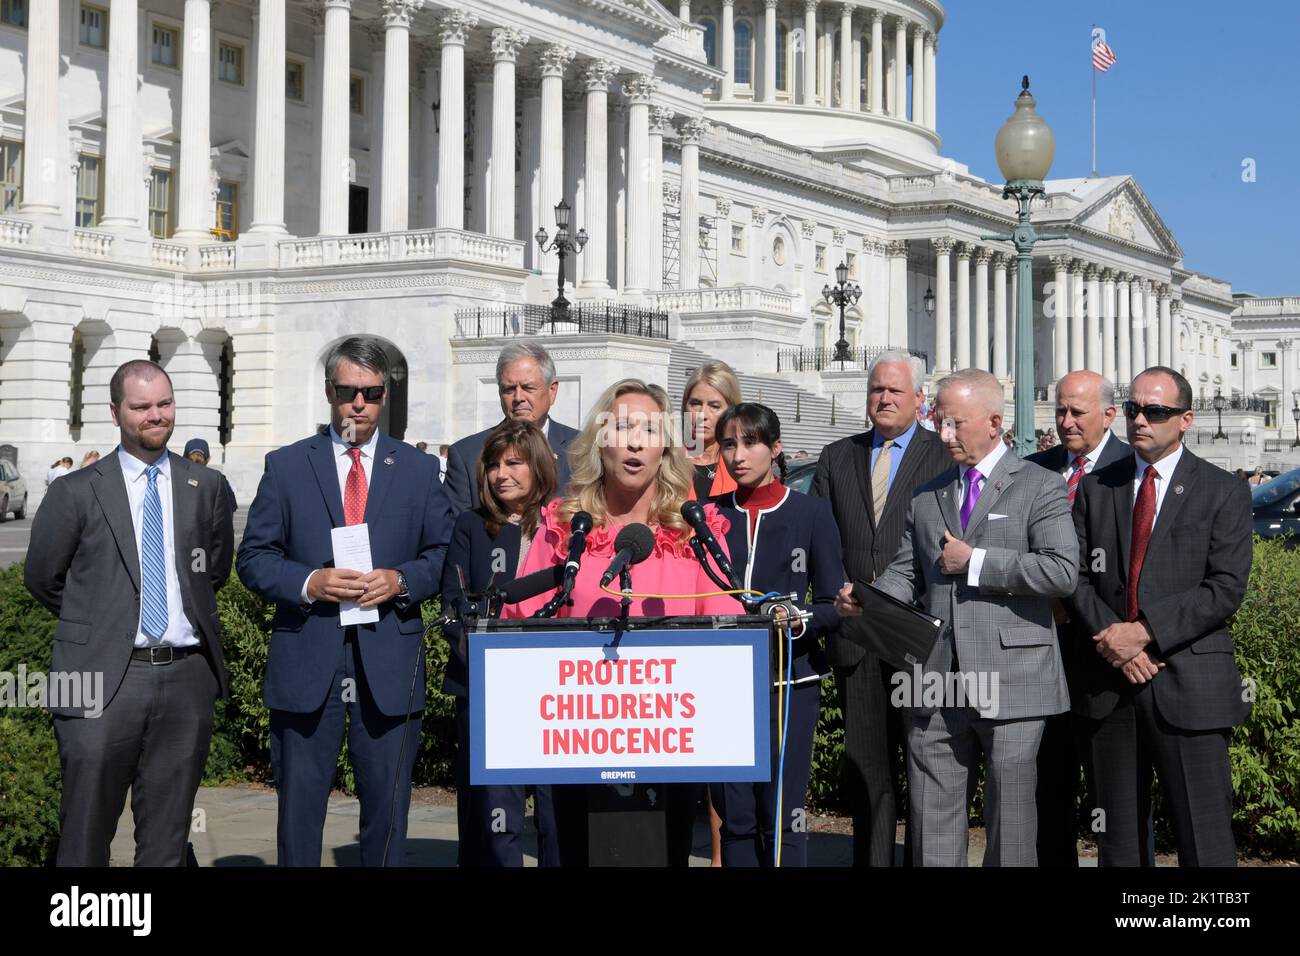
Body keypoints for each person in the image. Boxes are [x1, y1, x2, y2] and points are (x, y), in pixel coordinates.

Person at [835, 368, 1077, 866]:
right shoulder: (928, 496)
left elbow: (1061, 571)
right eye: (939, 422)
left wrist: (979, 563)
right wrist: (868, 599)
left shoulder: (1040, 485)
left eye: (954, 425)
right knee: (932, 819)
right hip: (935, 679)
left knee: (1010, 824)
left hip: (1014, 678)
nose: (942, 435)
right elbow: (908, 573)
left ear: (994, 422)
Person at [236, 337, 453, 866]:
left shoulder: (420, 470)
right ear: (329, 392)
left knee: (387, 812)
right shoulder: (287, 466)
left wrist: (401, 581)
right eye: (348, 391)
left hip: (389, 657)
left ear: (385, 395)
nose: (359, 403)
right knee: (300, 810)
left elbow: (442, 555)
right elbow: (254, 558)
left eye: (372, 392)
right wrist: (310, 582)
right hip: (308, 659)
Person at [506, 378, 738, 866]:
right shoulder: (564, 528)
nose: (635, 441)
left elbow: (728, 631)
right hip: (576, 748)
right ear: (600, 442)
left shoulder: (694, 530)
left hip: (668, 750)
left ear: (665, 449)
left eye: (650, 430)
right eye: (624, 427)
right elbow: (521, 624)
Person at [24, 360, 234, 865]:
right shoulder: (75, 490)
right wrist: (105, 622)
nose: (155, 415)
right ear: (115, 411)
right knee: (84, 836)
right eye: (141, 407)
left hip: (186, 679)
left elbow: (214, 571)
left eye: (164, 403)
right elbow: (43, 578)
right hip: (98, 680)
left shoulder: (205, 486)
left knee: (166, 840)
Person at [1068, 366, 1252, 866]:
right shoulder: (1095, 488)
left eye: (1155, 411)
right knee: (1118, 844)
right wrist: (1116, 642)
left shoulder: (1223, 491)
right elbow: (1077, 579)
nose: (1140, 420)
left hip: (1189, 688)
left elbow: (1225, 588)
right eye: (1132, 410)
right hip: (1109, 690)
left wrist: (1143, 634)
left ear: (1187, 419)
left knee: (1204, 841)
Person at [812, 351, 948, 867]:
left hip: (917, 635)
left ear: (920, 399)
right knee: (867, 770)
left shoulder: (941, 455)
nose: (884, 398)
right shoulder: (836, 455)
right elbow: (823, 544)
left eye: (895, 391)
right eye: (876, 390)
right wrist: (838, 599)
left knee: (924, 766)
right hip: (855, 634)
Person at [710, 403, 845, 866]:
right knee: (736, 816)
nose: (738, 455)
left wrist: (796, 616)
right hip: (719, 684)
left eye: (750, 443)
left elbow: (834, 606)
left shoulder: (811, 513)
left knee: (784, 815)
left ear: (776, 448)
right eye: (729, 444)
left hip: (789, 682)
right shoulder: (706, 516)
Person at [440, 419, 559, 866]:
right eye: (493, 464)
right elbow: (452, 603)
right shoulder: (472, 525)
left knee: (553, 810)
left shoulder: (562, 523)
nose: (501, 474)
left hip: (554, 689)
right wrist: (483, 654)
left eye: (514, 463)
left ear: (540, 467)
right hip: (485, 685)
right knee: (495, 813)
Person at [1025, 370, 1130, 867]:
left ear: (1109, 415)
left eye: (1077, 412)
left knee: (1119, 807)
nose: (1064, 421)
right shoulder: (1032, 468)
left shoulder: (1132, 469)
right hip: (1039, 653)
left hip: (1107, 656)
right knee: (1048, 794)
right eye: (1059, 410)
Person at [444, 343, 578, 514]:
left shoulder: (582, 449)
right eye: (509, 389)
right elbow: (455, 532)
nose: (518, 398)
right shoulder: (467, 455)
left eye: (528, 388)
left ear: (552, 390)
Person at [682, 360, 742, 501]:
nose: (702, 414)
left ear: (731, 411)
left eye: (714, 406)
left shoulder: (742, 464)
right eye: (695, 404)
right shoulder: (666, 463)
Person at [184, 437, 239, 514]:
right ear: (208, 459)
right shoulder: (218, 480)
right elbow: (231, 507)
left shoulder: (176, 480)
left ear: (183, 458)